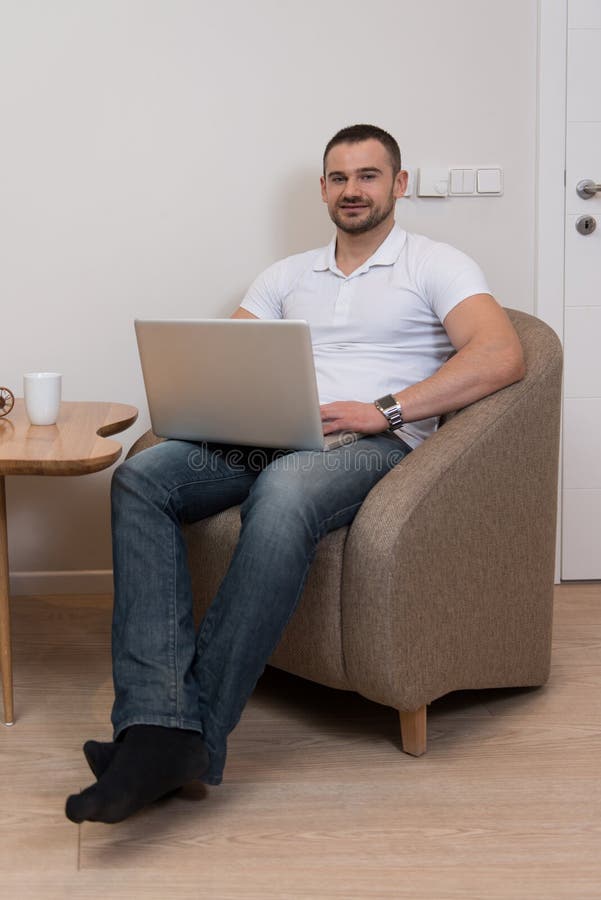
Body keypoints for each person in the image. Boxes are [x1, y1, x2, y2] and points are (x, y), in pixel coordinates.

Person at [65, 124, 525, 824]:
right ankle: (156, 723)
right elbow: (227, 360)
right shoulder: (285, 275)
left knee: (283, 494)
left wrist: (383, 410)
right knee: (143, 476)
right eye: (339, 178)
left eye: (368, 176)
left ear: (397, 185)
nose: (352, 190)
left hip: (371, 445)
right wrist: (220, 404)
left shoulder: (435, 264)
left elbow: (500, 355)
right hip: (271, 437)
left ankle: (192, 736)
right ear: (322, 190)